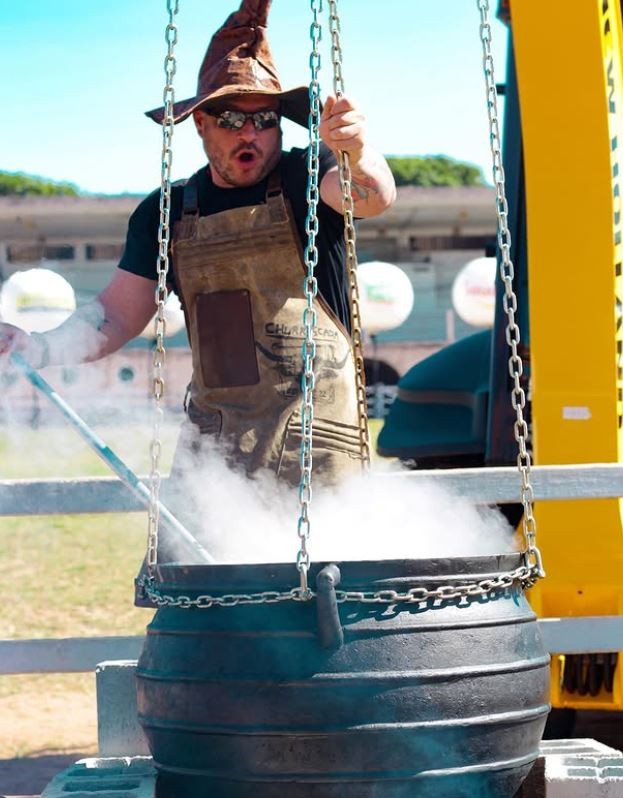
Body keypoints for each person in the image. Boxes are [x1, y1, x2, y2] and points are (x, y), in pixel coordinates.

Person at [0, 0, 395, 498]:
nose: (250, 133)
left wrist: (358, 152)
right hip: (215, 453)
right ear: (200, 123)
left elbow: (373, 196)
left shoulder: (309, 175)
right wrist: (37, 346)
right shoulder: (163, 212)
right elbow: (115, 318)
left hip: (320, 449)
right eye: (231, 118)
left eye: (265, 118)